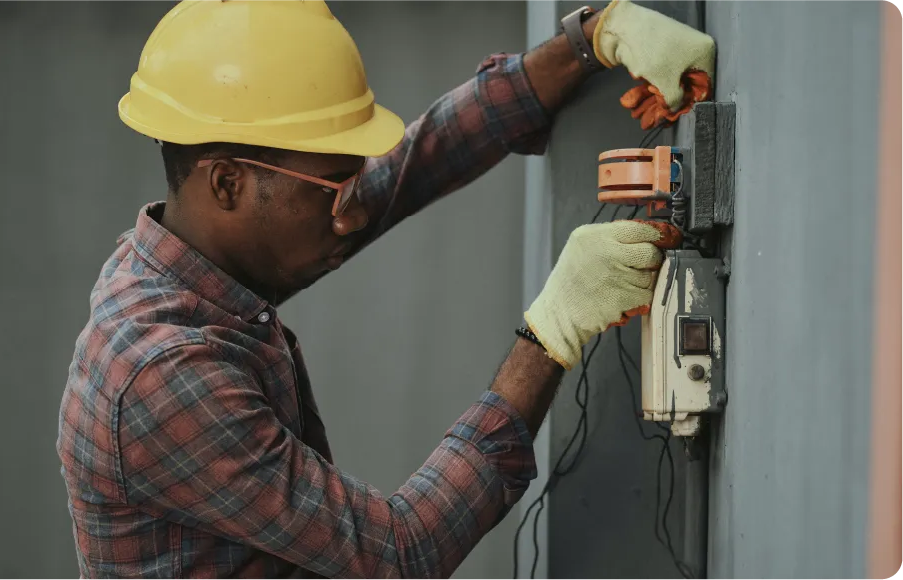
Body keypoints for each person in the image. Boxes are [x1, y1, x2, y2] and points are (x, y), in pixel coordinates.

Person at [56, 0, 715, 578]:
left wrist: (592, 40)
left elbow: (415, 163)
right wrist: (550, 333)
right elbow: (397, 554)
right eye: (330, 190)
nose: (349, 212)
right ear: (227, 183)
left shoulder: (186, 262)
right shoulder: (162, 375)